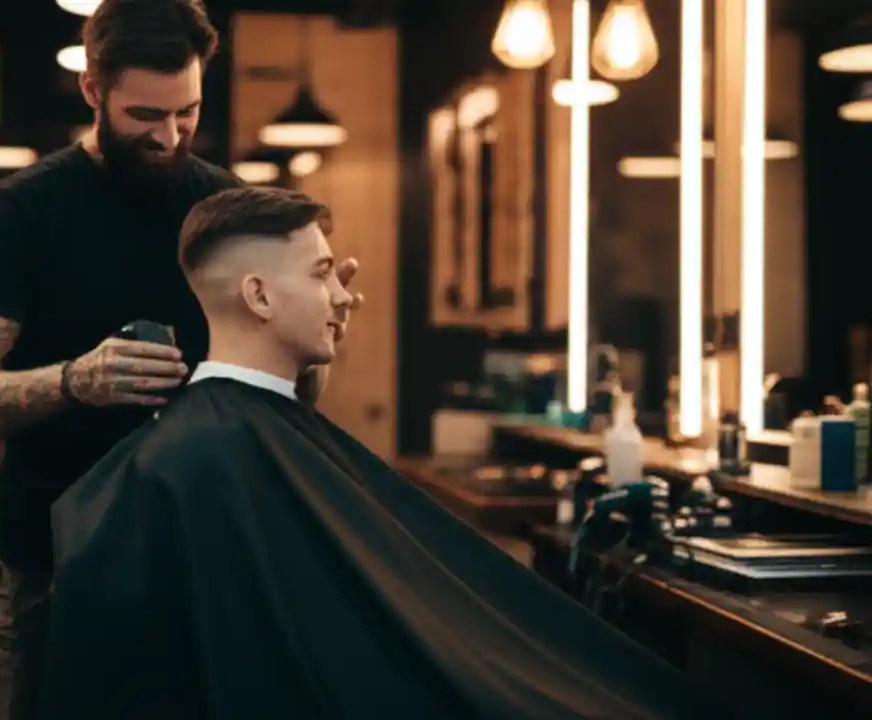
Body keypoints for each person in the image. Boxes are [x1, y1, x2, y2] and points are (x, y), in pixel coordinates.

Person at [36, 187, 722, 719]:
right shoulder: (218, 453)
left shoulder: (201, 446)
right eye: (323, 274)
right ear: (259, 296)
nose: (343, 296)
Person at [0, 2, 361, 718]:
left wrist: (319, 330)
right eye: (144, 115)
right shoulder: (23, 212)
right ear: (93, 90)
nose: (168, 137)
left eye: (186, 113)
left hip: (200, 553)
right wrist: (76, 381)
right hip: (52, 558)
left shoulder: (230, 210)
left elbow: (294, 397)